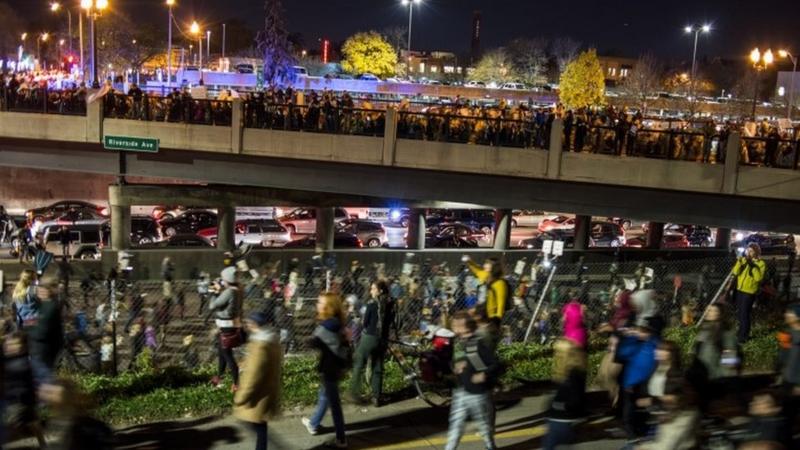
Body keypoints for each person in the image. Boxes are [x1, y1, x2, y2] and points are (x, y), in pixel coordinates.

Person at [444, 310, 500, 450]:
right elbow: (458, 361)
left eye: (457, 325)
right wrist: (455, 368)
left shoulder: (477, 343)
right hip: (461, 391)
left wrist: (484, 375)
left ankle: (490, 446)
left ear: (466, 327)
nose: (454, 328)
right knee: (455, 425)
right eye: (454, 325)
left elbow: (496, 364)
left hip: (478, 394)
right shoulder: (459, 343)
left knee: (484, 426)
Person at [302, 293, 349, 449]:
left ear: (328, 307)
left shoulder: (326, 326)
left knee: (334, 404)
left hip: (330, 369)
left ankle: (341, 439)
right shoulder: (337, 322)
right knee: (324, 395)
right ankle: (314, 423)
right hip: (336, 367)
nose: (317, 304)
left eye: (320, 302)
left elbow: (312, 342)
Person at [234, 312, 283, 450]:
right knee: (261, 428)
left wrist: (241, 397)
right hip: (266, 392)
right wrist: (245, 363)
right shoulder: (271, 340)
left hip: (257, 397)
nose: (247, 326)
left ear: (255, 325)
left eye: (249, 323)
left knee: (257, 427)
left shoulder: (259, 346)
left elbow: (253, 375)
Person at [637, 341, 699, 450]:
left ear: (672, 354)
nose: (659, 352)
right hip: (667, 416)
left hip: (682, 417)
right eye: (658, 349)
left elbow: (674, 398)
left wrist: (652, 400)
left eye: (664, 350)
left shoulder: (677, 373)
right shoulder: (657, 369)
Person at [347, 280, 394, 406]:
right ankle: (376, 396)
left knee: (359, 361)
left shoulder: (372, 303)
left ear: (380, 290)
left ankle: (353, 391)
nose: (371, 291)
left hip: (370, 337)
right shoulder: (390, 303)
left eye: (373, 288)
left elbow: (365, 322)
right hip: (383, 339)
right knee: (377, 366)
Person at [615, 316, 662, 443]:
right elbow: (622, 354)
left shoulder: (654, 342)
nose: (640, 333)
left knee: (642, 408)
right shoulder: (633, 342)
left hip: (647, 381)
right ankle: (630, 431)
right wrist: (630, 338)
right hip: (632, 382)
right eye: (639, 330)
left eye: (643, 331)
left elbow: (659, 357)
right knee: (630, 408)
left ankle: (641, 428)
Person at [688, 303, 738, 414]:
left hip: (714, 378)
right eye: (709, 310)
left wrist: (726, 379)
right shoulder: (704, 330)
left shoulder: (726, 333)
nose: (710, 313)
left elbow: (730, 359)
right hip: (699, 376)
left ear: (721, 314)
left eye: (714, 311)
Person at [3, 332, 46, 448]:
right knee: (33, 423)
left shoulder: (23, 362)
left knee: (12, 426)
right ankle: (42, 444)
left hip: (21, 400)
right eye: (9, 344)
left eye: (15, 344)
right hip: (22, 399)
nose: (11, 347)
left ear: (22, 346)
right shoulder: (11, 360)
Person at [543, 338, 587, 450]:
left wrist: (558, 405)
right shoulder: (569, 370)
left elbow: (576, 399)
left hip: (562, 420)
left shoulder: (574, 373)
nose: (555, 355)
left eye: (558, 352)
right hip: (559, 419)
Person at [209, 267, 243, 391]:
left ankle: (236, 384)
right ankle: (219, 376)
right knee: (221, 351)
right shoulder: (236, 289)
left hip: (227, 327)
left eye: (223, 278)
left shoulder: (229, 292)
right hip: (229, 326)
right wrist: (220, 291)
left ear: (227, 279)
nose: (222, 280)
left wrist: (213, 292)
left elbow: (212, 305)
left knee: (227, 355)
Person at [463, 256, 508, 349]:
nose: (485, 265)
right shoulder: (486, 276)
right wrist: (469, 261)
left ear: (494, 267)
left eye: (488, 264)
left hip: (491, 316)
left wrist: (497, 319)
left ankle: (489, 355)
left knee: (488, 340)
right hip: (481, 312)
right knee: (478, 336)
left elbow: (501, 302)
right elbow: (476, 270)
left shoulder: (500, 283)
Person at [28, 283, 64, 383]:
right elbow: (33, 321)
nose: (40, 293)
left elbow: (41, 331)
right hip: (39, 350)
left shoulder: (50, 307)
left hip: (43, 350)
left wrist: (30, 329)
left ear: (49, 291)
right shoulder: (42, 306)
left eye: (43, 290)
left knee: (42, 379)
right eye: (39, 290)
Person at [732, 243, 766, 343]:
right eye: (748, 250)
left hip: (749, 292)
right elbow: (735, 272)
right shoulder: (743, 260)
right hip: (740, 289)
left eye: (751, 251)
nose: (749, 252)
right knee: (739, 313)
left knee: (744, 314)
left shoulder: (761, 263)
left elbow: (758, 278)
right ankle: (740, 332)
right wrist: (739, 262)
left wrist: (753, 266)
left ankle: (744, 336)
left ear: (756, 252)